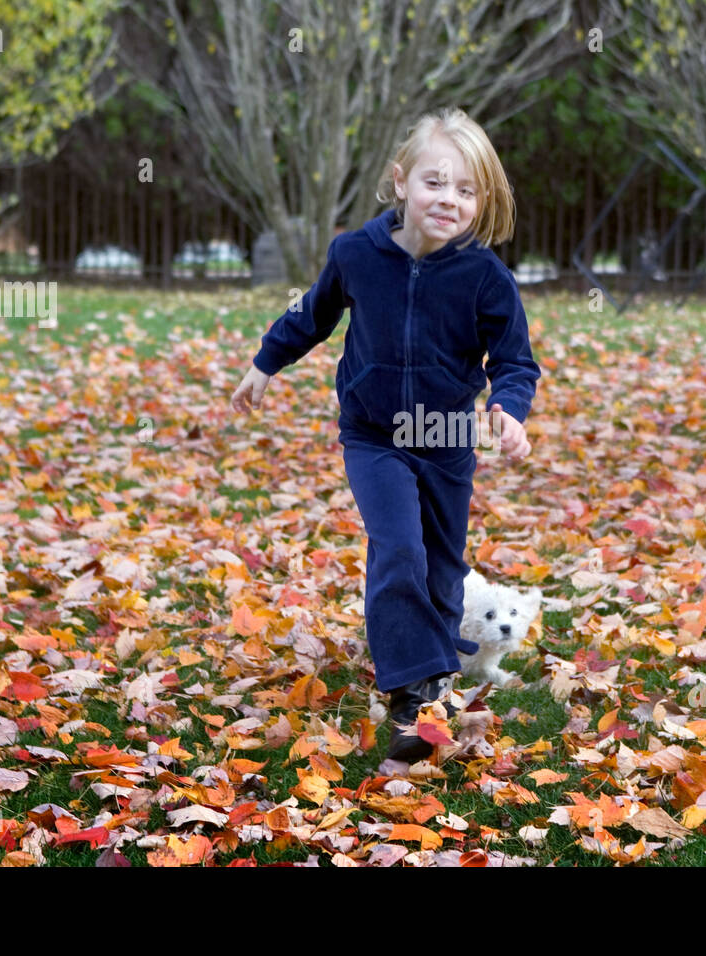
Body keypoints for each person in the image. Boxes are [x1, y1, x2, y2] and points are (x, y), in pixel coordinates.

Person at [230, 107, 540, 766]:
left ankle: (433, 665)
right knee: (397, 547)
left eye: (466, 190)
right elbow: (308, 315)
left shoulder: (485, 277)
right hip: (373, 435)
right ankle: (411, 700)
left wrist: (509, 409)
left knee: (441, 570)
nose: (449, 200)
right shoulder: (355, 254)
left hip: (449, 436)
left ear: (481, 200)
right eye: (435, 182)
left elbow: (514, 361)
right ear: (400, 182)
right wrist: (264, 365)